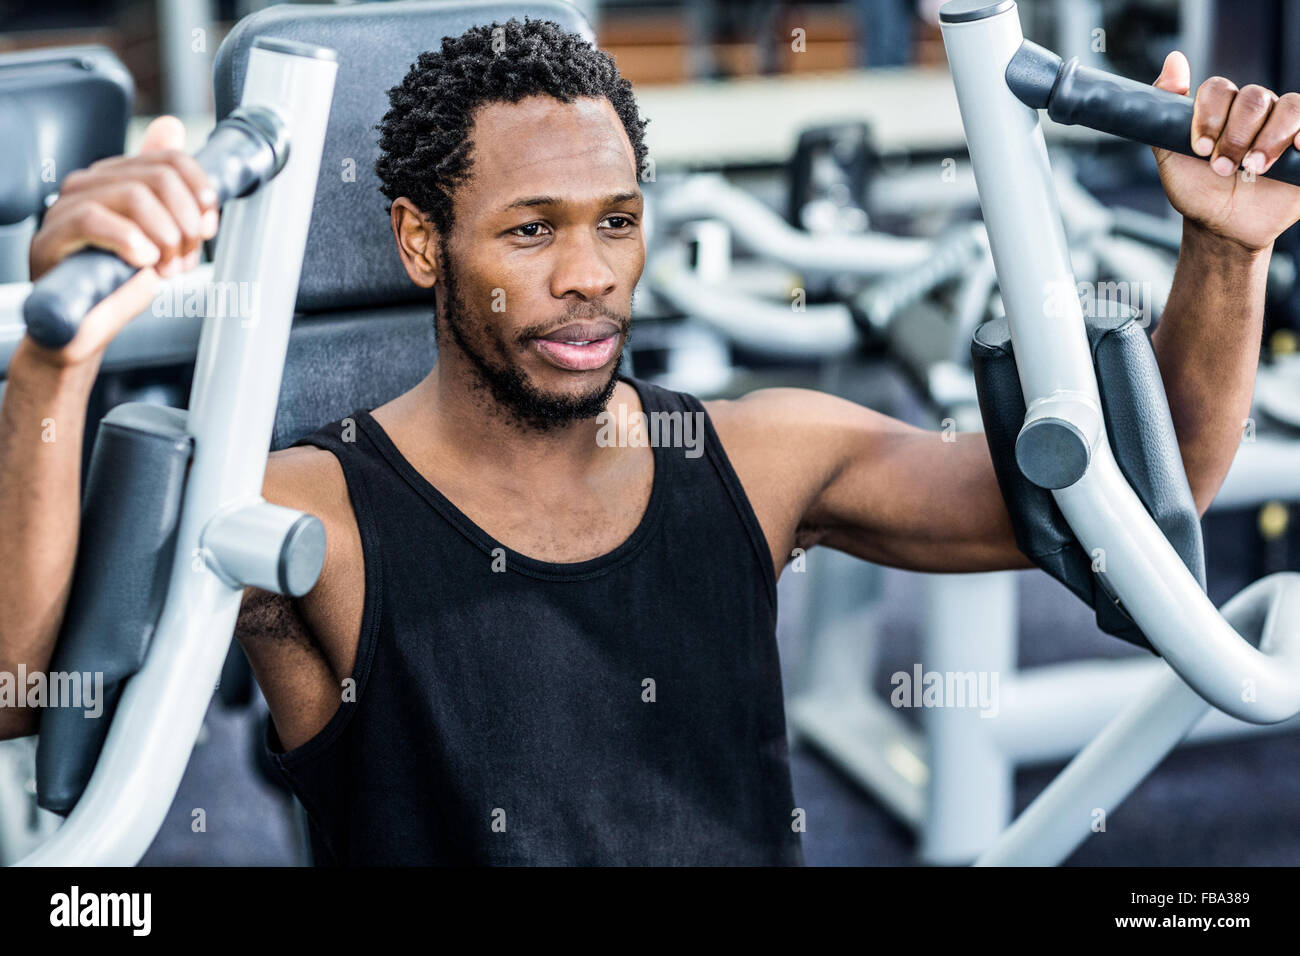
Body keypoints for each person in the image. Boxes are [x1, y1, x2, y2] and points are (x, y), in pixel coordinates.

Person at [3, 17, 1300, 865]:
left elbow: (1132, 510)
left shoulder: (763, 456)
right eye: (532, 230)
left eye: (616, 222)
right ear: (419, 242)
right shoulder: (300, 515)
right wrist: (55, 364)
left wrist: (1225, 249)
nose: (589, 277)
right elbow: (19, 698)